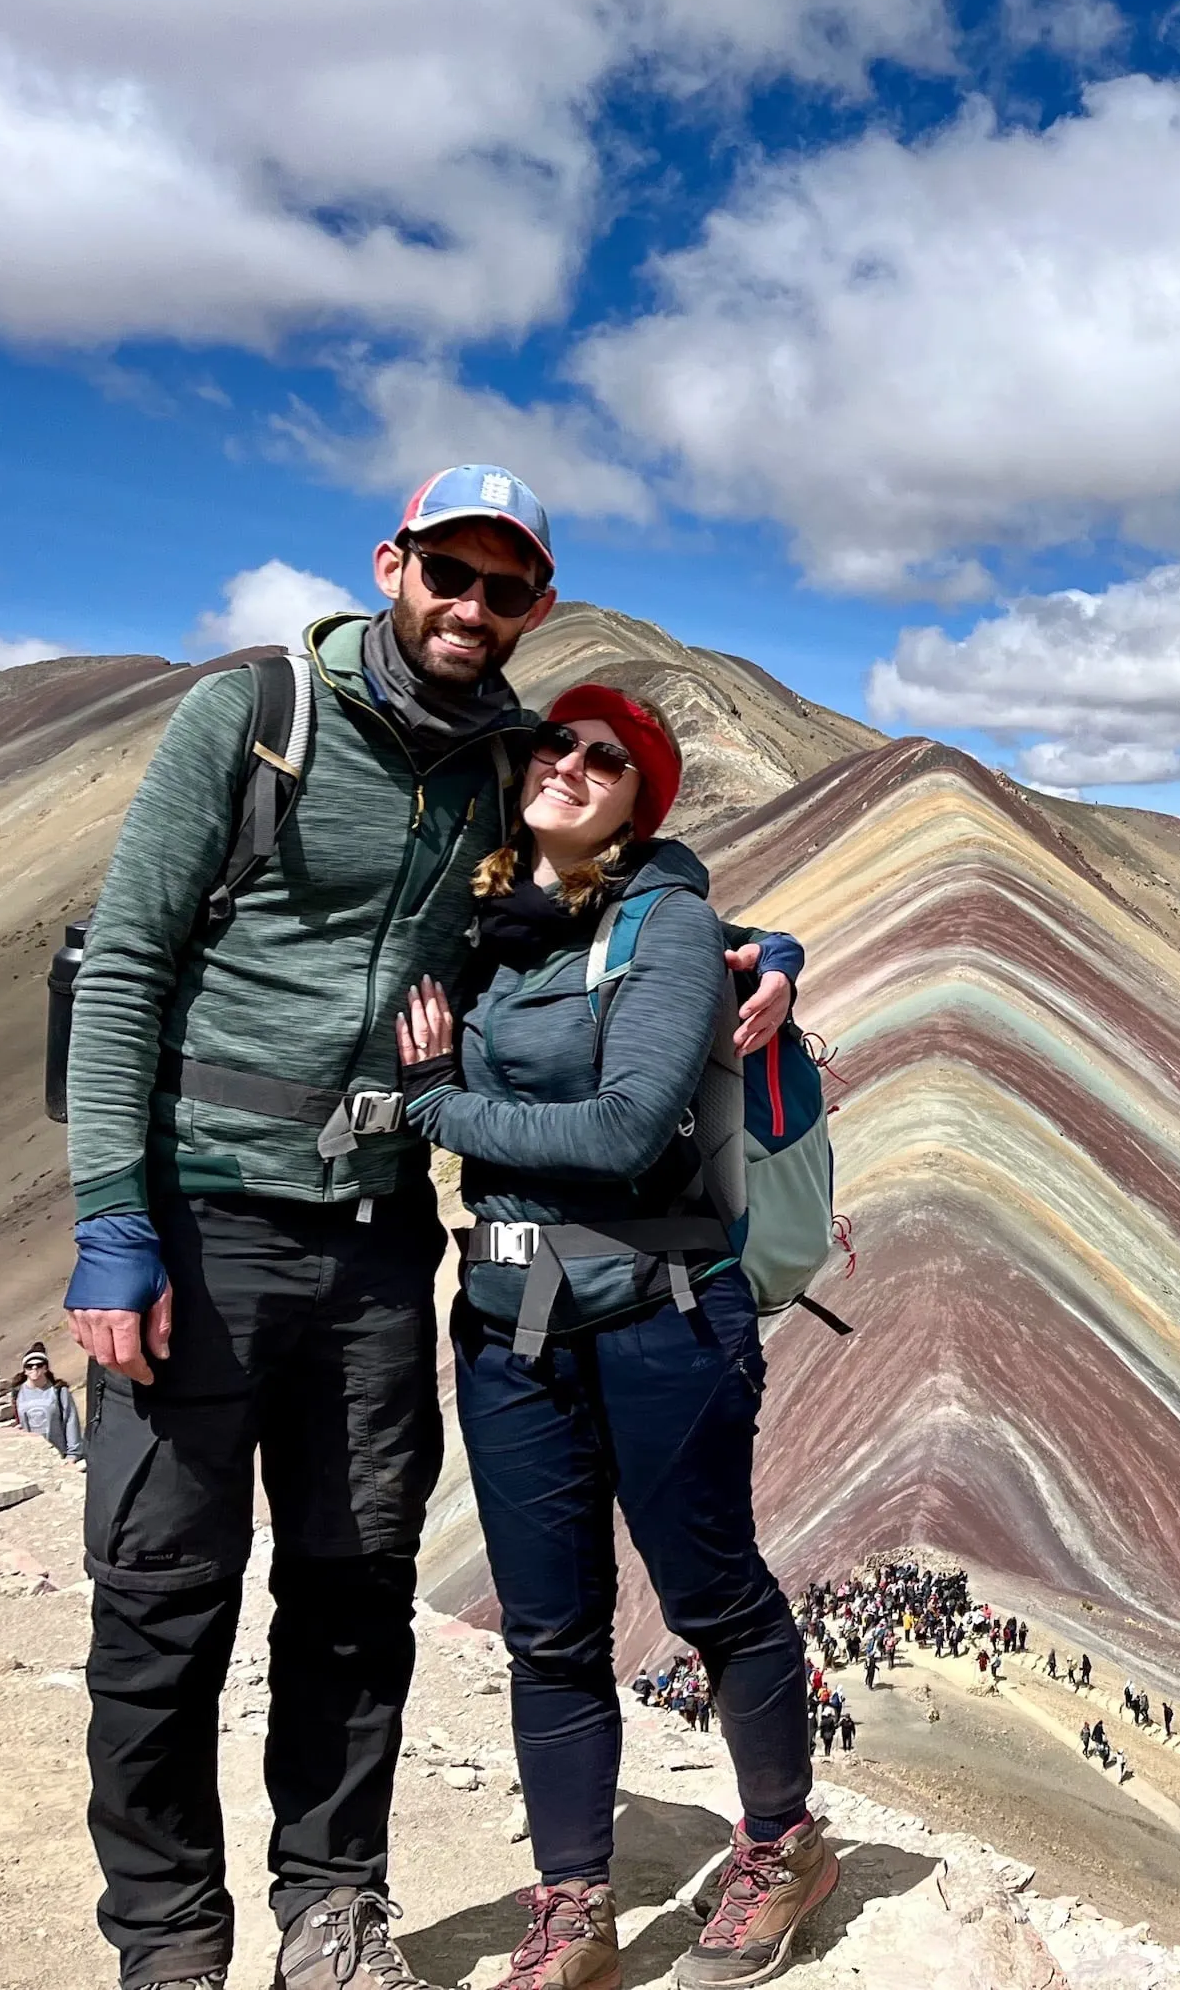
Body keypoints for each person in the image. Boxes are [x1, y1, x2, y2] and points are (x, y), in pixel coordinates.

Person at [63, 469, 798, 1990]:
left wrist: (761, 945)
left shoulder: (499, 763)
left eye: (506, 588)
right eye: (448, 573)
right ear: (392, 564)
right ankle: (169, 1940)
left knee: (351, 1589)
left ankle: (331, 1913)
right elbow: (128, 963)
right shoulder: (255, 719)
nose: (471, 607)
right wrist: (107, 1220)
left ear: (532, 604)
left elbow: (615, 880)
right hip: (202, 1223)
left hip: (382, 1237)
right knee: (162, 1595)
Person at [398, 687, 832, 1990]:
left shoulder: (670, 923)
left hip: (659, 1312)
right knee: (550, 1627)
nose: (575, 767)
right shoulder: (471, 925)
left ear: (640, 804)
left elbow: (626, 1129)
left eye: (611, 762)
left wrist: (438, 1108)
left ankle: (781, 1845)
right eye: (558, 746)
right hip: (507, 1321)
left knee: (708, 1594)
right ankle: (573, 1911)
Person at [15, 1341, 84, 1460]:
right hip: (30, 1456)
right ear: (25, 1370)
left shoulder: (58, 1391)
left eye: (39, 1364)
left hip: (59, 1454)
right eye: (29, 1366)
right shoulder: (17, 1393)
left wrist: (73, 1454)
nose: (34, 1368)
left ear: (46, 1368)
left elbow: (70, 1420)